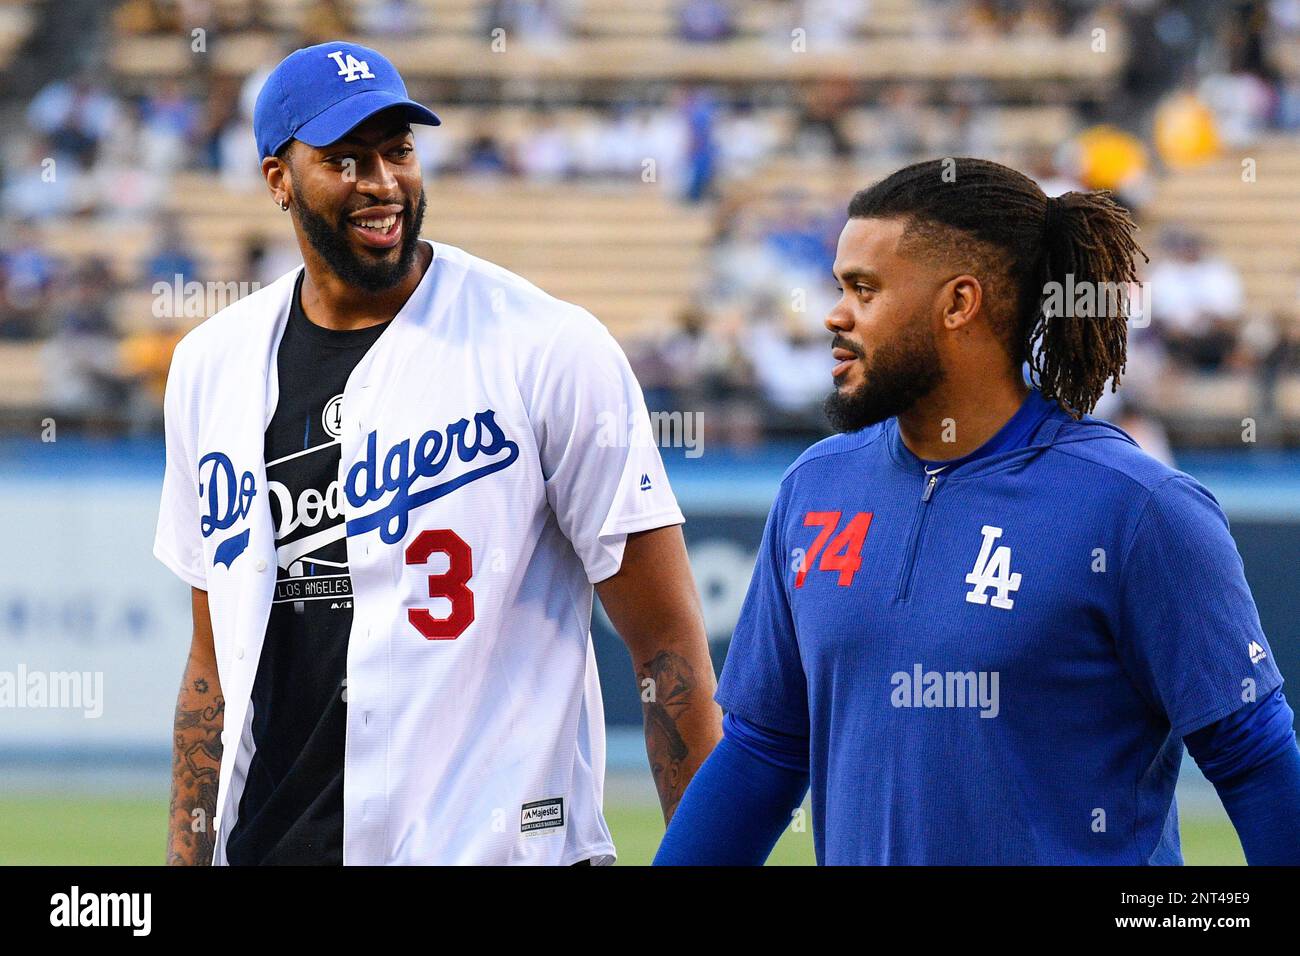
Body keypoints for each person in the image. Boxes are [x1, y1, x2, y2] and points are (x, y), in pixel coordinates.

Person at [156, 41, 720, 866]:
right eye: (345, 159)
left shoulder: (546, 347)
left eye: (398, 151)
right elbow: (210, 667)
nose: (382, 183)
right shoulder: (212, 366)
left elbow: (668, 646)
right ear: (278, 178)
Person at [654, 157, 1300, 865]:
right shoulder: (815, 487)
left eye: (864, 290)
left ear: (958, 304)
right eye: (839, 286)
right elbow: (763, 753)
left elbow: (1256, 759)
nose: (835, 315)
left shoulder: (1140, 510)